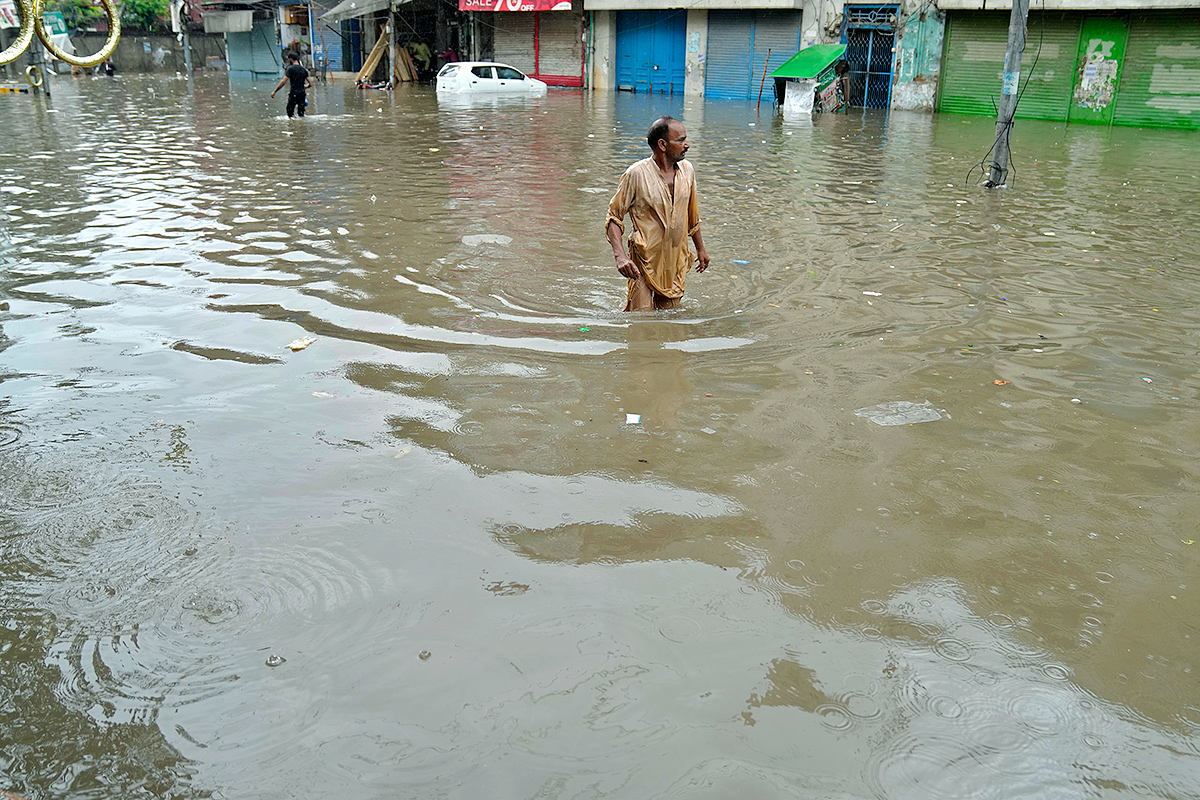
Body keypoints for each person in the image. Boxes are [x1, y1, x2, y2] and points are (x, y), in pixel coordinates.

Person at [606, 116, 710, 311]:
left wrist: (701, 249)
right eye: (681, 140)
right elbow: (614, 217)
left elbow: (692, 215)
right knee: (641, 319)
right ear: (662, 145)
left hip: (674, 261)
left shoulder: (688, 170)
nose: (687, 145)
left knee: (670, 317)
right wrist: (620, 257)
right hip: (643, 261)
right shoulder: (636, 174)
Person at [271, 53, 312, 118]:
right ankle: (301, 124)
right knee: (301, 114)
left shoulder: (290, 69)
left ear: (291, 59)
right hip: (302, 94)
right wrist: (305, 86)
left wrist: (275, 91)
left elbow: (283, 82)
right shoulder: (304, 69)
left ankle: (292, 123)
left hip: (294, 93)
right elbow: (310, 84)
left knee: (290, 112)